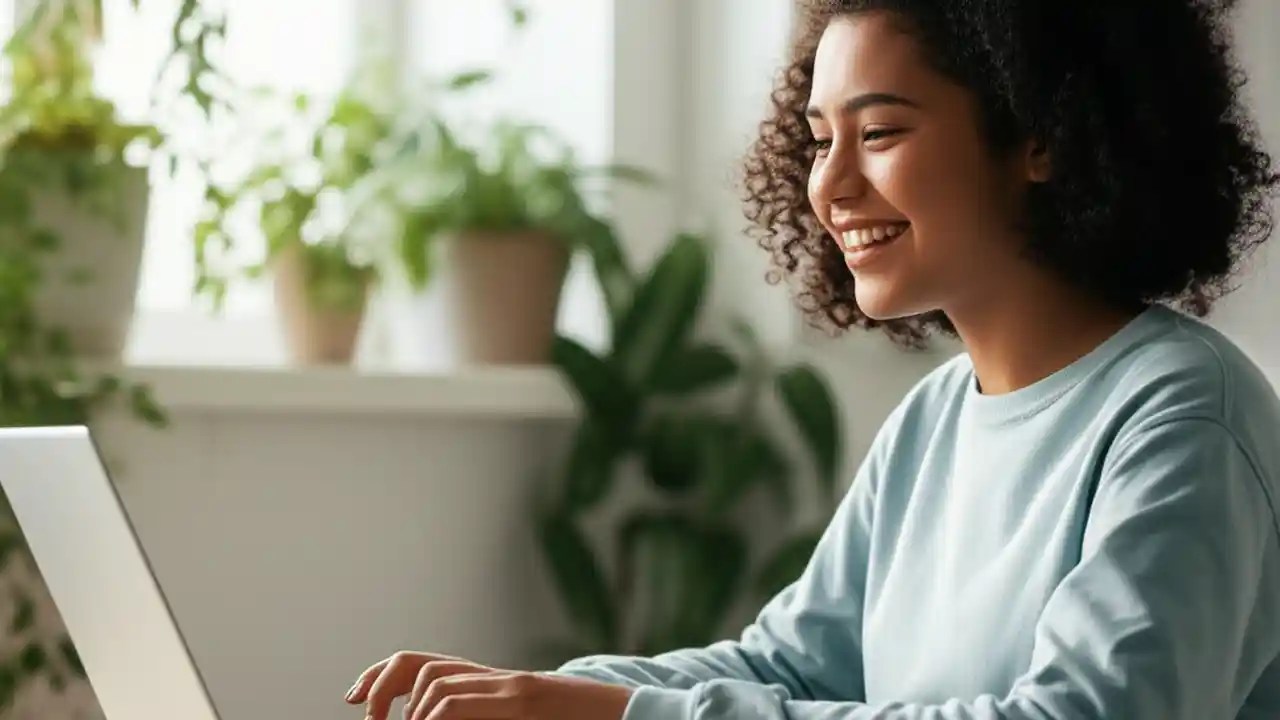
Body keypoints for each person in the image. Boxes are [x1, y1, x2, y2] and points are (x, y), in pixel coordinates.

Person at [344, 0, 1280, 718]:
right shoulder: (937, 415)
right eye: (820, 139)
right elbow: (789, 665)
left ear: (1042, 135)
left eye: (878, 133)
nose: (830, 187)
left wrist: (629, 712)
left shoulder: (1181, 416)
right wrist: (535, 692)